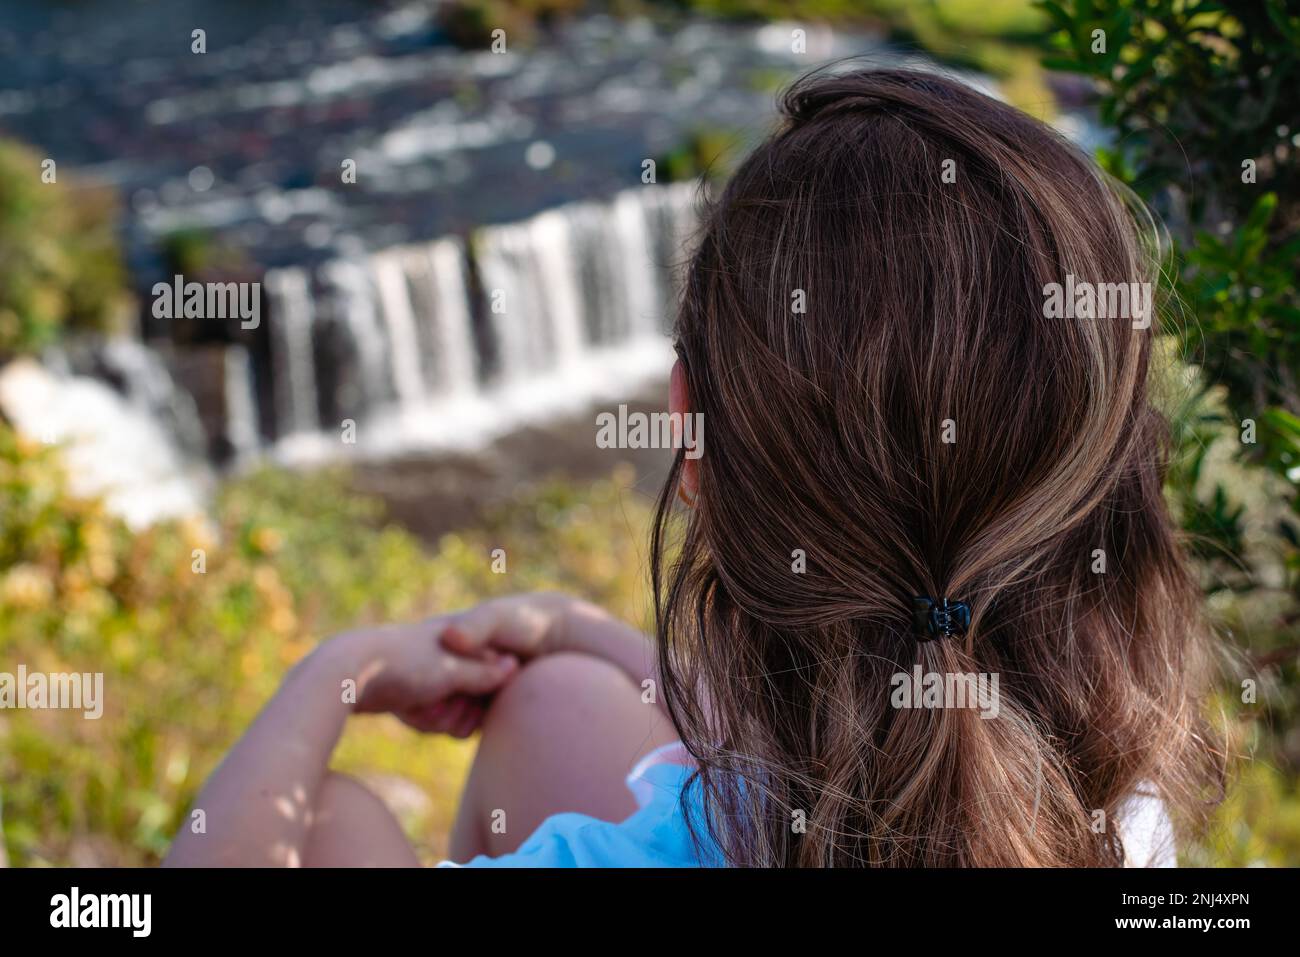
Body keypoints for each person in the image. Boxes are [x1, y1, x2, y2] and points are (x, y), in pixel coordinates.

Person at [165, 67, 1224, 869]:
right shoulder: (1114, 811)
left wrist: (333, 674)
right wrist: (581, 634)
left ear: (688, 429)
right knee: (563, 695)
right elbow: (853, 710)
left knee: (334, 818)